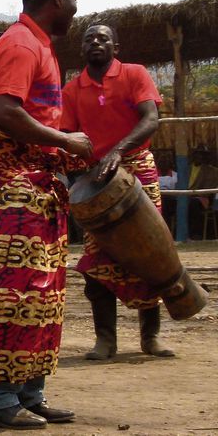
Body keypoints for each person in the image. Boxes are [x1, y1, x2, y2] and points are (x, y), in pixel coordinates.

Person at [0, 0, 92, 429]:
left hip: (33, 184)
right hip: (8, 186)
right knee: (13, 292)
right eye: (74, 0)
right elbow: (5, 112)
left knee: (42, 294)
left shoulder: (40, 46)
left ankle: (27, 392)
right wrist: (65, 140)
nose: (77, 9)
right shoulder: (20, 44)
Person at [61, 24, 174, 360]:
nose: (95, 42)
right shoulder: (72, 90)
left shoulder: (134, 74)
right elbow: (67, 136)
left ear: (116, 47)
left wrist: (118, 151)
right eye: (89, 39)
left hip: (137, 165)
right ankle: (105, 340)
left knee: (150, 250)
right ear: (82, 49)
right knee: (97, 258)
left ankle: (150, 337)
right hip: (98, 178)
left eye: (103, 38)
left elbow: (150, 119)